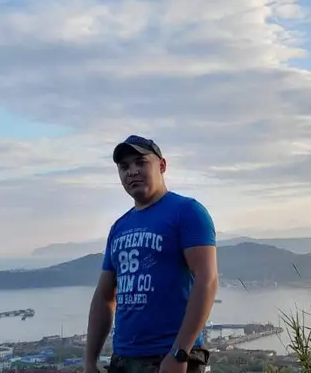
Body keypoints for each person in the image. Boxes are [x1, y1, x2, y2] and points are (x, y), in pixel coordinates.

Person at [84, 135, 218, 373]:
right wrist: (89, 361)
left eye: (140, 162)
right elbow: (104, 297)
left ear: (162, 165)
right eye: (124, 167)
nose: (132, 172)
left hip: (168, 356)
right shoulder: (119, 227)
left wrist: (180, 353)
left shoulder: (187, 212)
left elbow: (207, 280)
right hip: (123, 360)